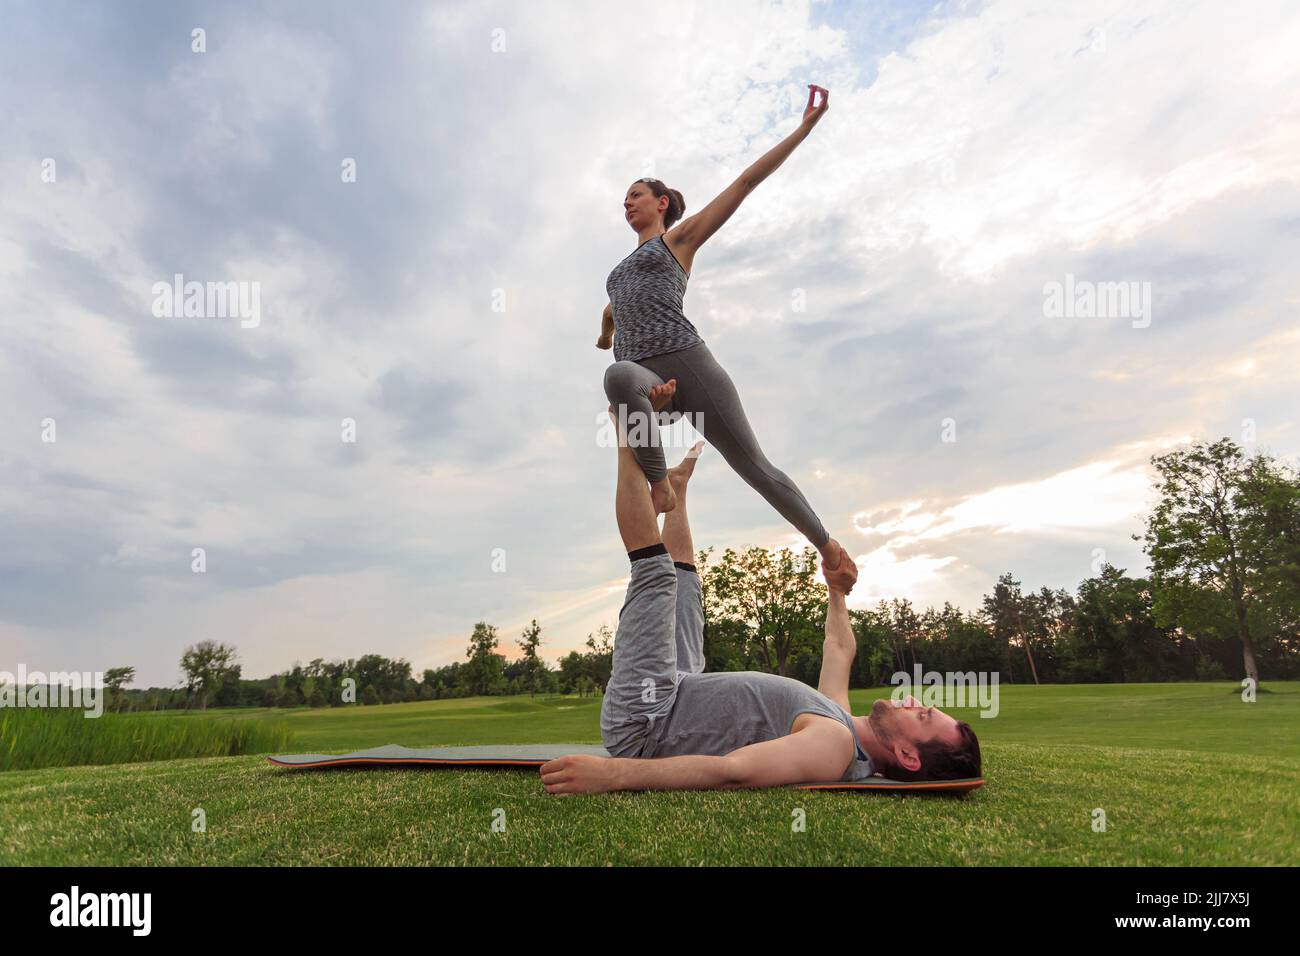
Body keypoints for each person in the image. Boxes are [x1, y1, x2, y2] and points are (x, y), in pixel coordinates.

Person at [538, 411, 982, 795]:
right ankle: (676, 489)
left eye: (922, 715)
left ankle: (628, 429)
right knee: (685, 587)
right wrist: (837, 590)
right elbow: (839, 648)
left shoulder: (834, 745)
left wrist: (613, 775)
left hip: (646, 725)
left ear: (907, 755)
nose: (910, 701)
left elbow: (733, 772)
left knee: (655, 577)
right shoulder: (841, 721)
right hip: (678, 690)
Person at [599, 84, 858, 592]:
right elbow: (613, 308)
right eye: (624, 198)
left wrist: (802, 129)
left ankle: (828, 546)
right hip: (647, 379)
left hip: (688, 364)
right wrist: (604, 335)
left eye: (636, 194)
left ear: (662, 202)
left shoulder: (680, 239)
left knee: (755, 467)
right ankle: (661, 487)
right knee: (617, 376)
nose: (627, 202)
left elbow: (745, 183)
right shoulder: (619, 270)